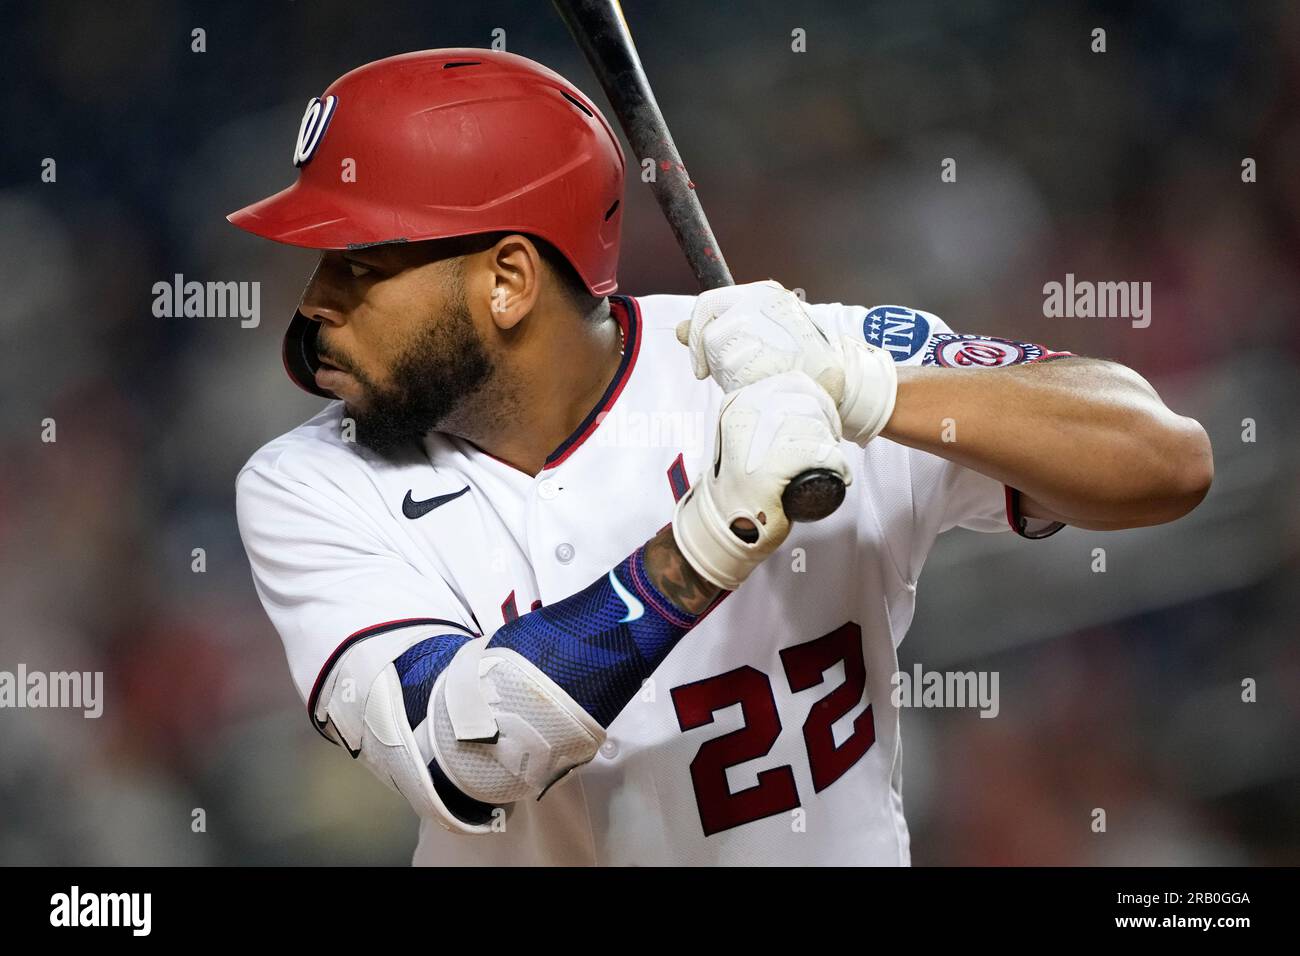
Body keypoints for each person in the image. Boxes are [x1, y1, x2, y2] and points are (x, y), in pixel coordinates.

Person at [230, 49, 1213, 865]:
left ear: (508, 279)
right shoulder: (310, 483)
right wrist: (713, 534)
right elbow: (460, 757)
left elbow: (1166, 460)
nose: (316, 302)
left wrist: (863, 388)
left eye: (358, 264)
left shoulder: (786, 363)